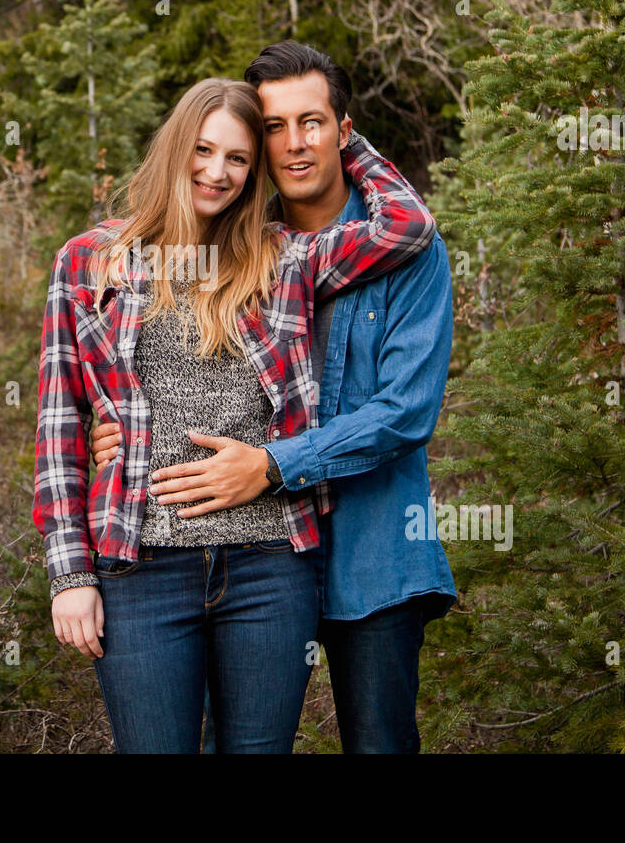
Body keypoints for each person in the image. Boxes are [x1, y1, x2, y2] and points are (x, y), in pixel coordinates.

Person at [33, 74, 436, 753]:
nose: (217, 173)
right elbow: (59, 428)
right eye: (203, 150)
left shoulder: (285, 259)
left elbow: (406, 226)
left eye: (238, 159)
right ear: (173, 150)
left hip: (270, 567)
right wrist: (69, 576)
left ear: (253, 175)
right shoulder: (90, 262)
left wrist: (342, 136)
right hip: (142, 568)